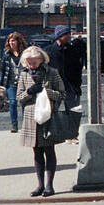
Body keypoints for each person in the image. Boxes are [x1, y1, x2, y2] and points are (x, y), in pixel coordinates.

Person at [16, 45, 65, 196]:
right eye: (29, 62)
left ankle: (50, 185)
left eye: (34, 62)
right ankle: (40, 185)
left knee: (49, 151)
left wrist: (47, 92)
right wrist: (29, 92)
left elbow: (62, 94)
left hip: (48, 116)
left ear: (42, 59)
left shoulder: (52, 73)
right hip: (31, 118)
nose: (32, 65)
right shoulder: (24, 74)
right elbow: (19, 97)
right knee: (37, 153)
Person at [0, 32, 28, 132]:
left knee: (24, 102)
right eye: (10, 41)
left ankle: (26, 124)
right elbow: (2, 70)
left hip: (24, 83)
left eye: (13, 40)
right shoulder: (7, 55)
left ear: (18, 41)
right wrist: (1, 85)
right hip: (11, 82)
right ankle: (14, 124)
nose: (11, 43)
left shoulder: (25, 54)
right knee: (12, 102)